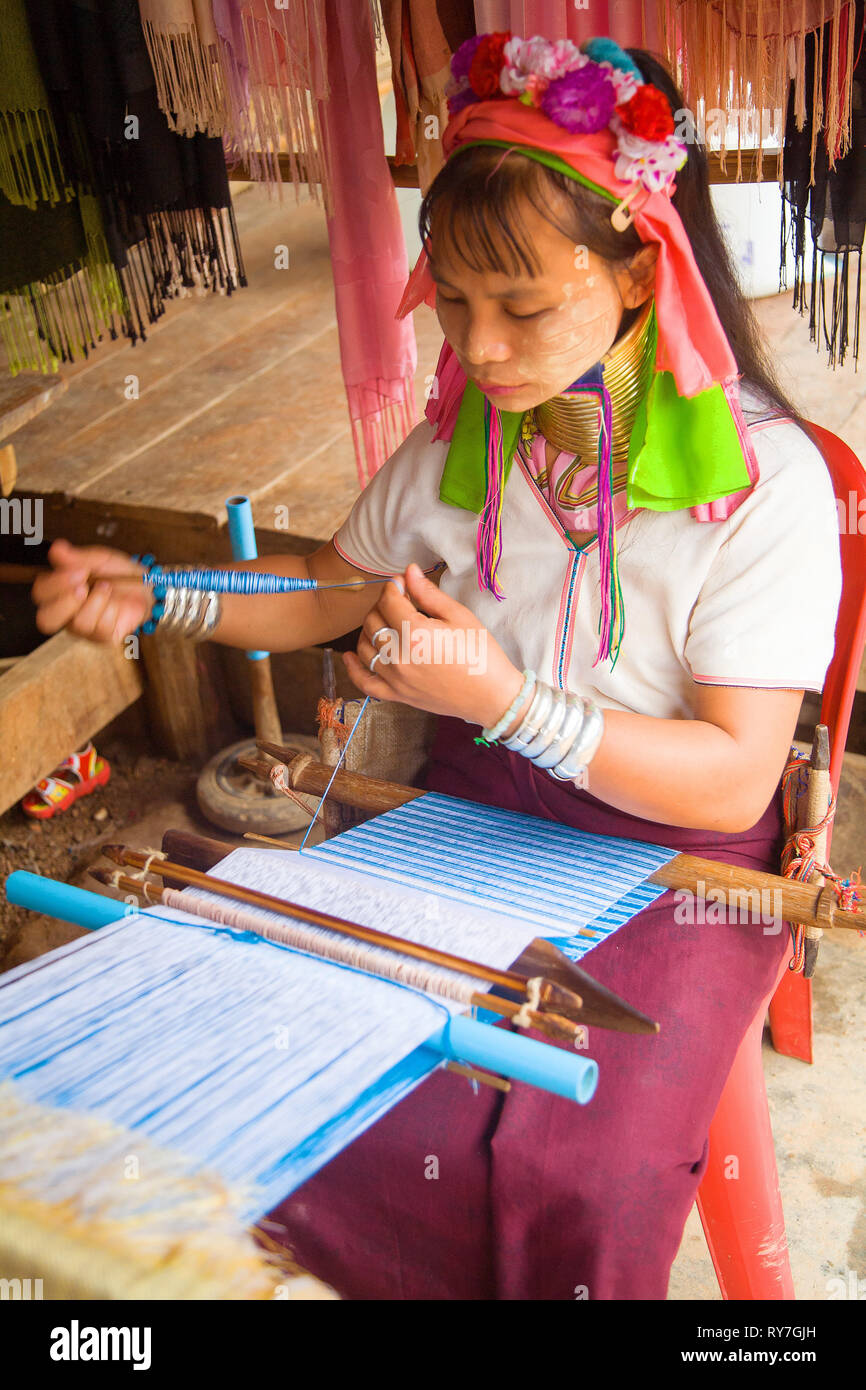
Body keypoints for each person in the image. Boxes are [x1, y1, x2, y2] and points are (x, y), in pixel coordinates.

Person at [32, 35, 842, 1300]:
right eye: (452, 300)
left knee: (566, 1170)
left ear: (639, 272)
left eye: (521, 306)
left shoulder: (761, 486)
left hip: (677, 865)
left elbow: (732, 785)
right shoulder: (460, 445)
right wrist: (160, 596)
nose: (480, 344)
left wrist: (504, 701)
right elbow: (318, 601)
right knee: (283, 1065)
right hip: (468, 821)